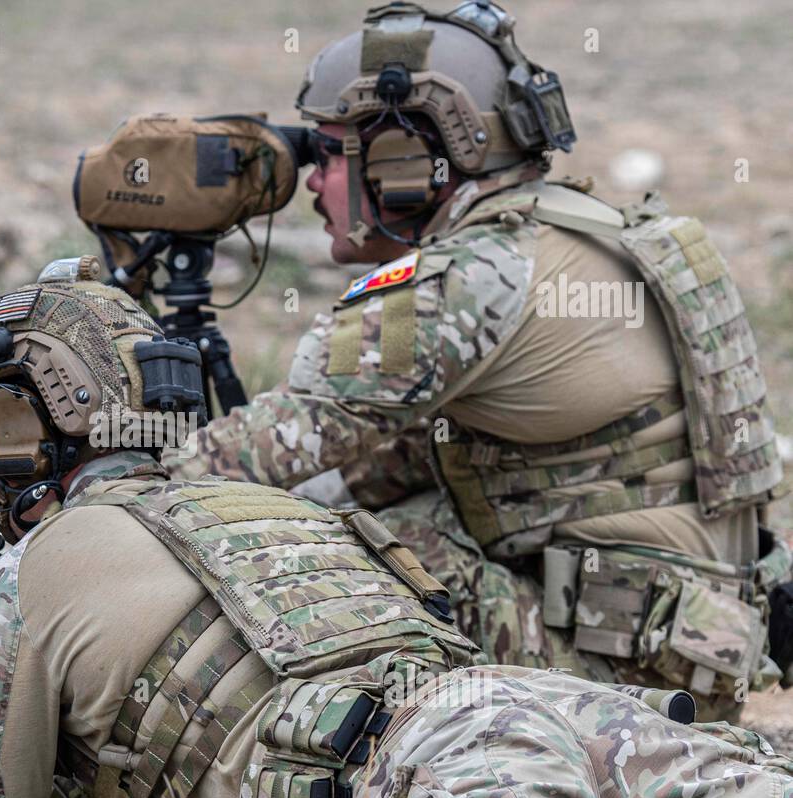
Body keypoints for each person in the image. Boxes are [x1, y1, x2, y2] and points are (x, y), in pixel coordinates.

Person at [0, 262, 793, 798]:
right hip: (547, 712)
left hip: (428, 780)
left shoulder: (22, 580)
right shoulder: (262, 505)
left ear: (14, 438)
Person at [159, 0, 791, 721]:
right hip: (689, 644)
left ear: (404, 163)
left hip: (622, 679)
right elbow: (391, 462)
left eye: (330, 155)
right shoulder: (579, 229)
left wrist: (107, 488)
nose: (311, 183)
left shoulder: (463, 283)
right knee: (357, 503)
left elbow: (253, 457)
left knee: (301, 558)